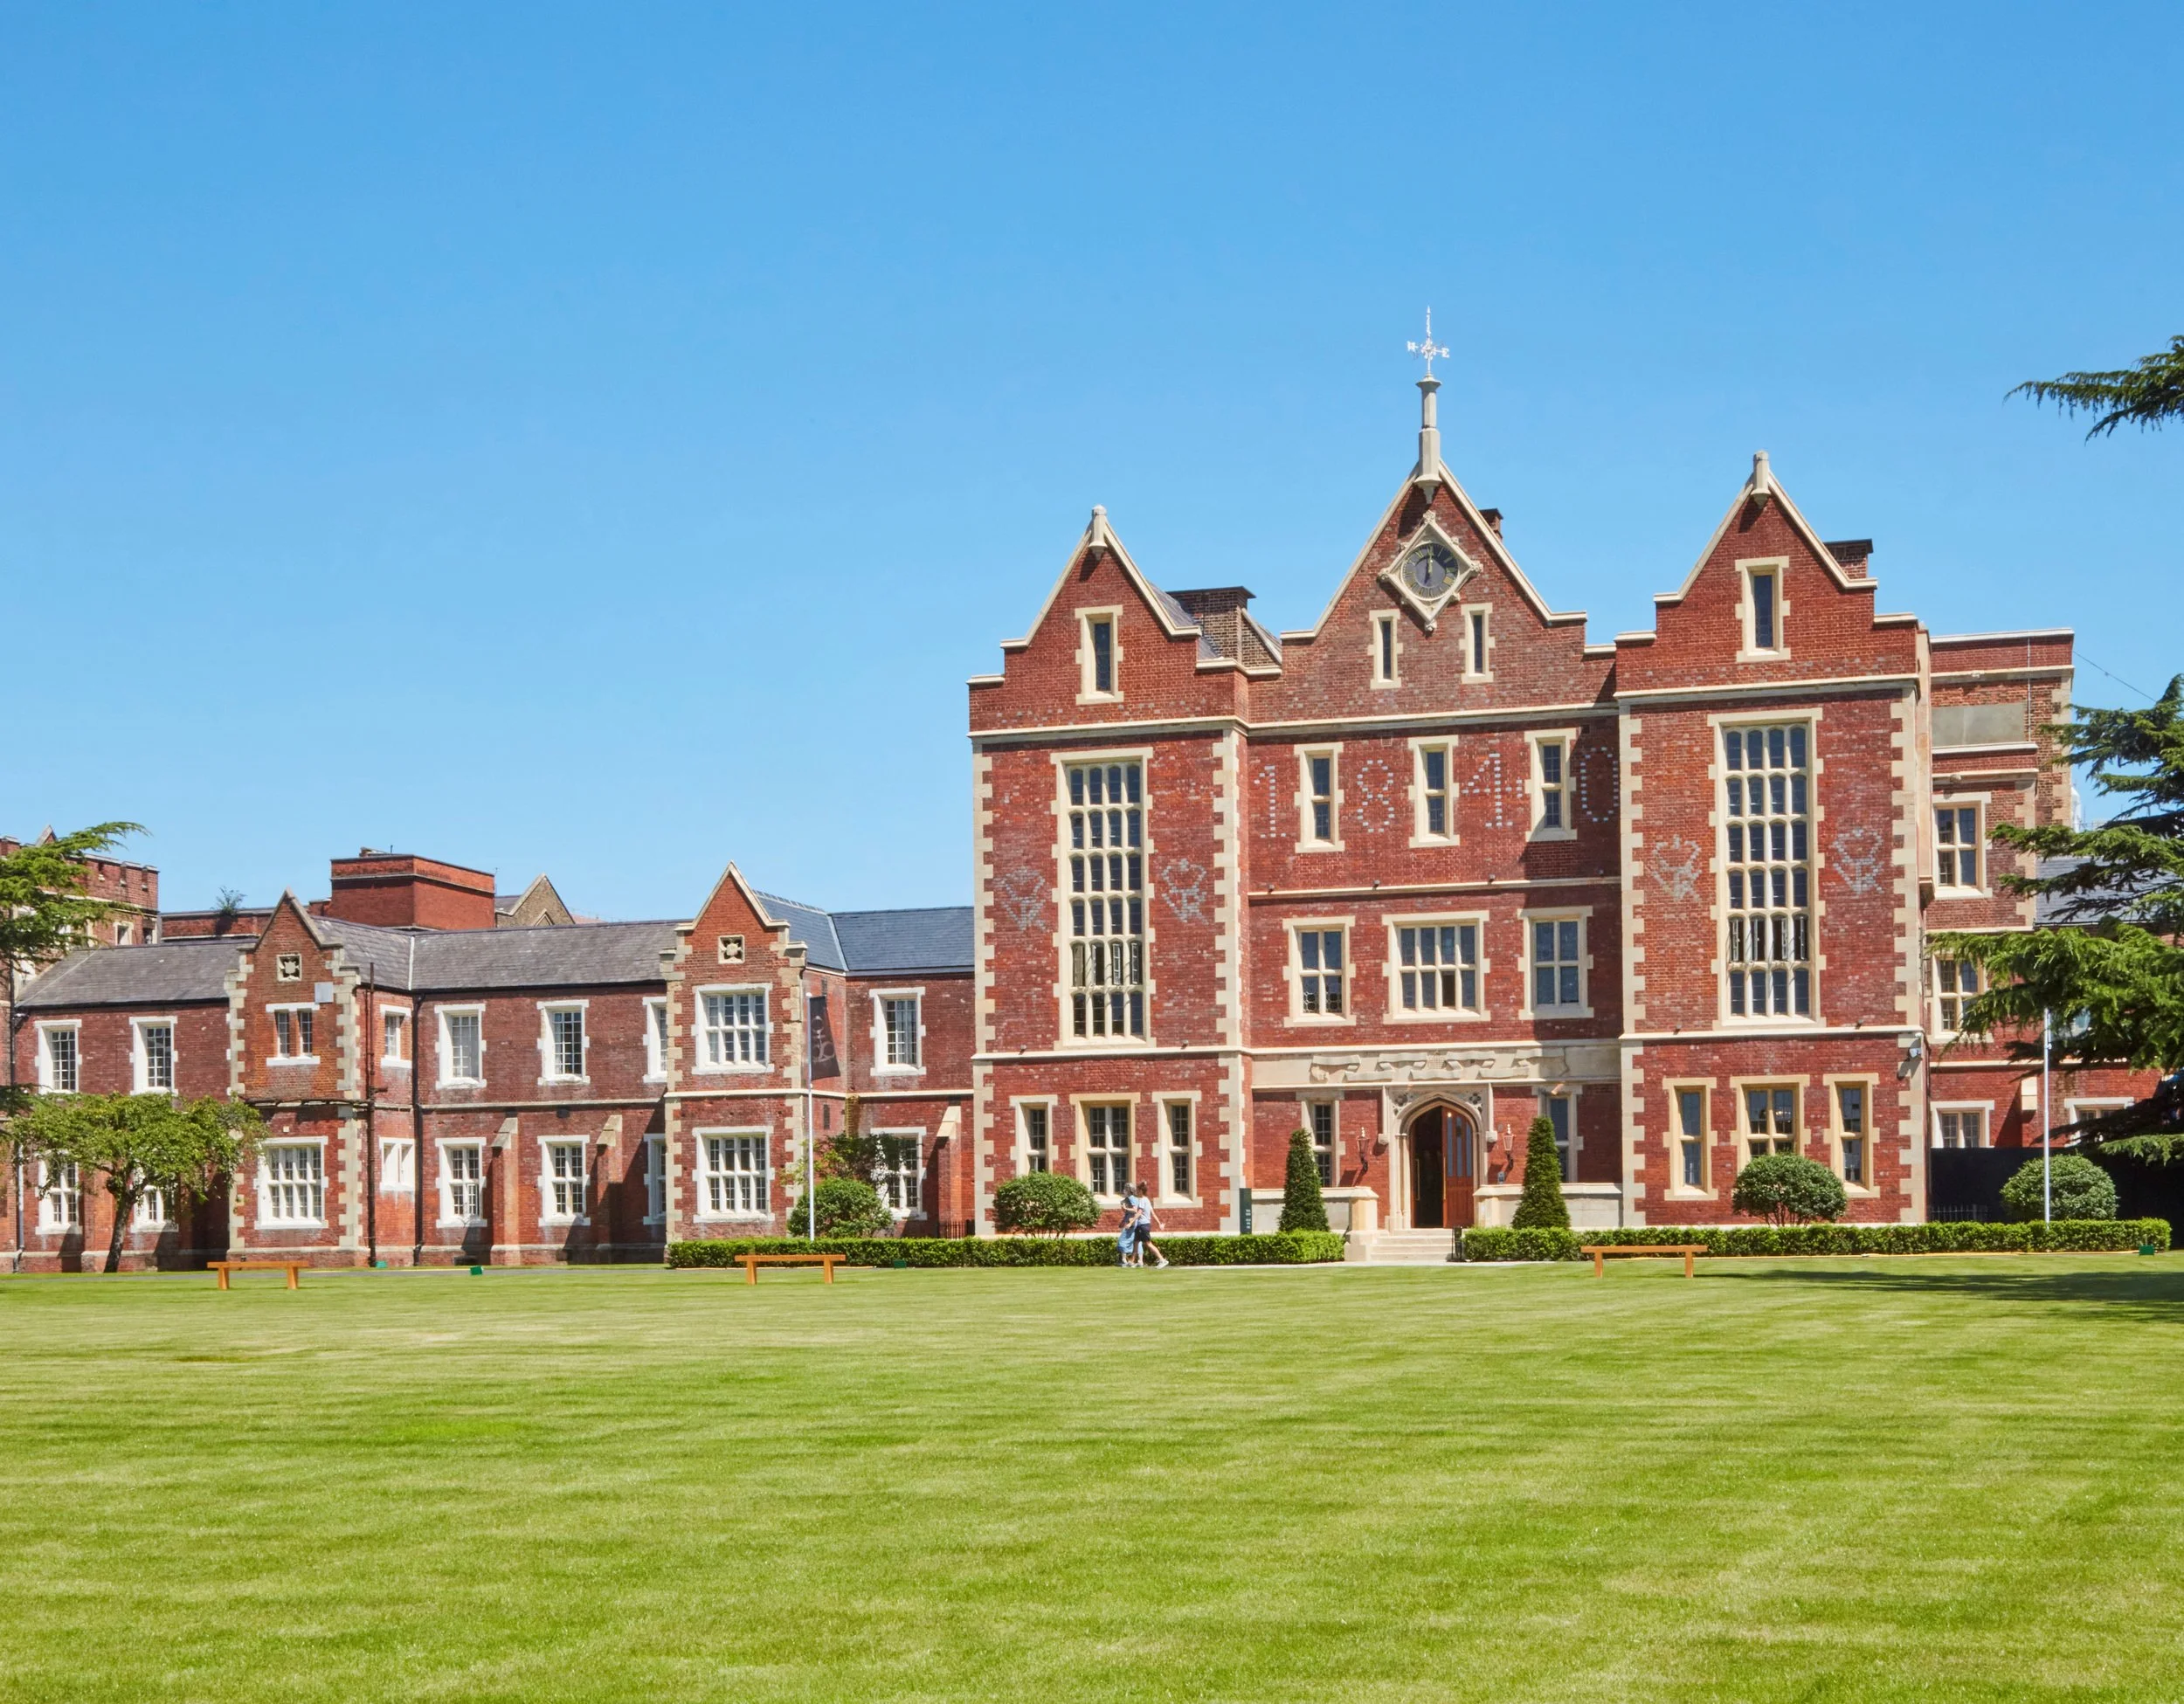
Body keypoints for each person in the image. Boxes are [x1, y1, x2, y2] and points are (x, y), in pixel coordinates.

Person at [1130, 1181, 1169, 1268]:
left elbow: (1139, 1212)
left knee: (1148, 1244)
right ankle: (1132, 1262)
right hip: (1142, 1225)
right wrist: (1159, 1223)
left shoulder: (1143, 1200)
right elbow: (1153, 1213)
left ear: (1141, 1191)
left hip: (1143, 1225)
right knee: (1135, 1243)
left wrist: (1131, 1222)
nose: (1136, 1192)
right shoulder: (1147, 1200)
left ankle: (1162, 1260)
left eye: (1137, 1190)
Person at [1116, 1190, 1142, 1267]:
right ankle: (1140, 1261)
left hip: (1131, 1224)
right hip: (1132, 1223)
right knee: (1136, 1242)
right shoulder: (1134, 1199)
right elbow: (1128, 1213)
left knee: (1122, 1241)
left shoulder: (1131, 1198)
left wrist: (1125, 1208)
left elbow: (1135, 1210)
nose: (1124, 1193)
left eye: (1125, 1191)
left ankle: (1124, 1260)